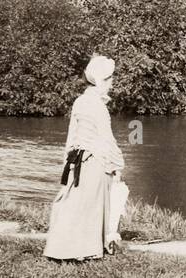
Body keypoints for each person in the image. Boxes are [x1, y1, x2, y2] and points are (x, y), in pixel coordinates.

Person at [44, 53, 125, 262]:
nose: (112, 83)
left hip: (78, 160)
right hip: (95, 162)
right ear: (101, 81)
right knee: (89, 205)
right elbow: (106, 139)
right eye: (110, 79)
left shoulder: (80, 101)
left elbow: (72, 135)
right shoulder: (98, 106)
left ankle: (63, 247)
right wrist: (117, 165)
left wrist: (67, 162)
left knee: (74, 203)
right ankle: (83, 249)